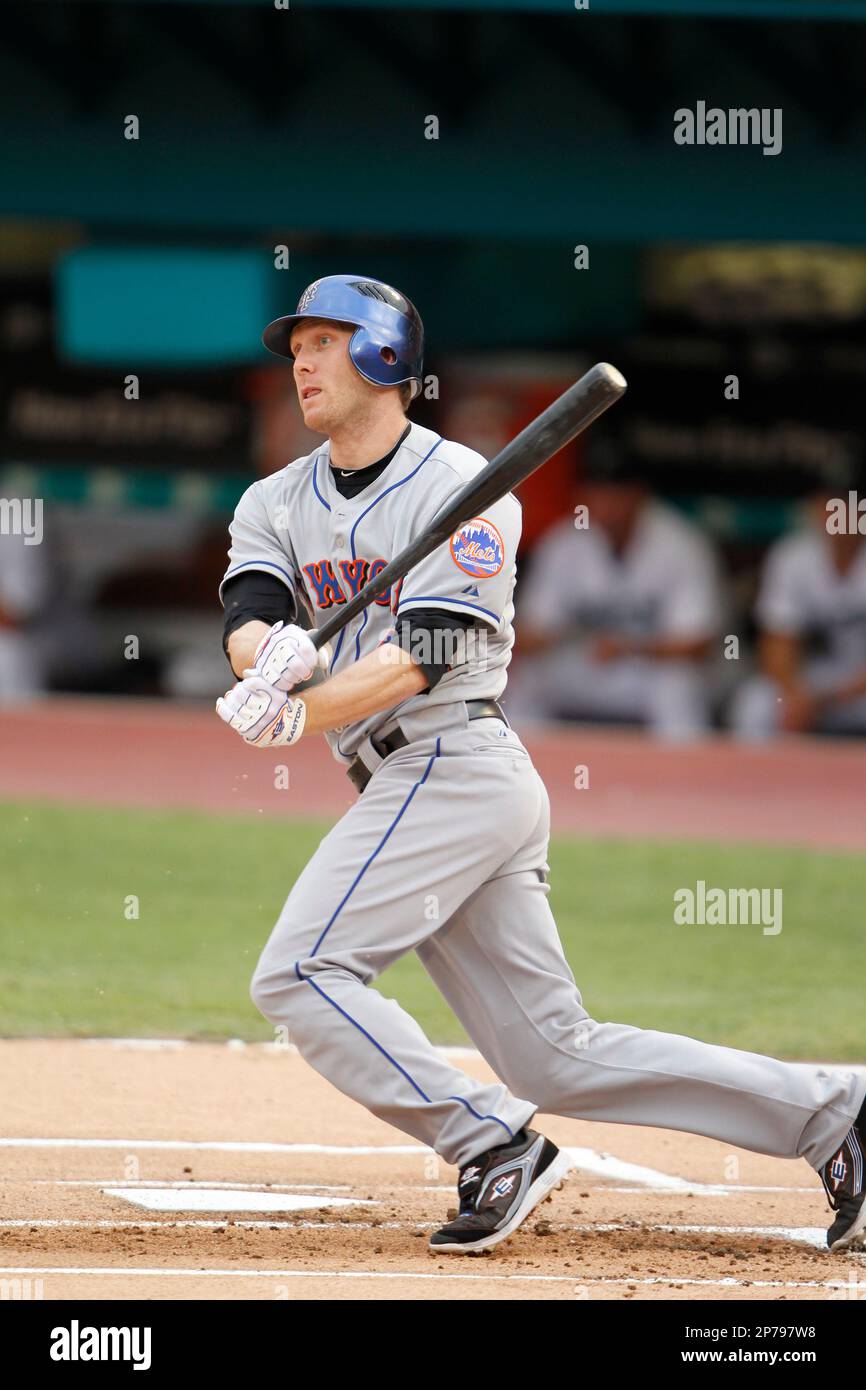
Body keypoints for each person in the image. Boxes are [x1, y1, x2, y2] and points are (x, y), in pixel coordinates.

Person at [216, 274, 866, 1254]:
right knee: (553, 1055)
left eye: (321, 339)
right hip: (418, 784)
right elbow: (249, 610)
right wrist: (267, 657)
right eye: (294, 344)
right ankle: (836, 1113)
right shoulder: (273, 499)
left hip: (452, 763)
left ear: (385, 354)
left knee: (301, 970)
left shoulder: (462, 492)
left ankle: (487, 1144)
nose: (299, 361)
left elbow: (419, 655)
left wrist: (298, 711)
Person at [506, 442, 721, 740]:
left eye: (616, 491)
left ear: (639, 494)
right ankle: (523, 771)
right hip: (583, 661)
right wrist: (568, 634)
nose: (606, 501)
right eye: (597, 490)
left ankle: (681, 779)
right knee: (527, 678)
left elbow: (696, 643)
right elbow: (527, 634)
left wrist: (629, 647)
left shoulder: (680, 543)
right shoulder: (564, 543)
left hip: (647, 668)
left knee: (677, 686)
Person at [732, 473, 866, 738]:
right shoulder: (792, 556)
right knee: (756, 704)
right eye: (829, 503)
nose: (838, 514)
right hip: (809, 685)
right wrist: (793, 694)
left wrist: (828, 699)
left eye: (849, 503)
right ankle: (758, 779)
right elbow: (777, 640)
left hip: (857, 690)